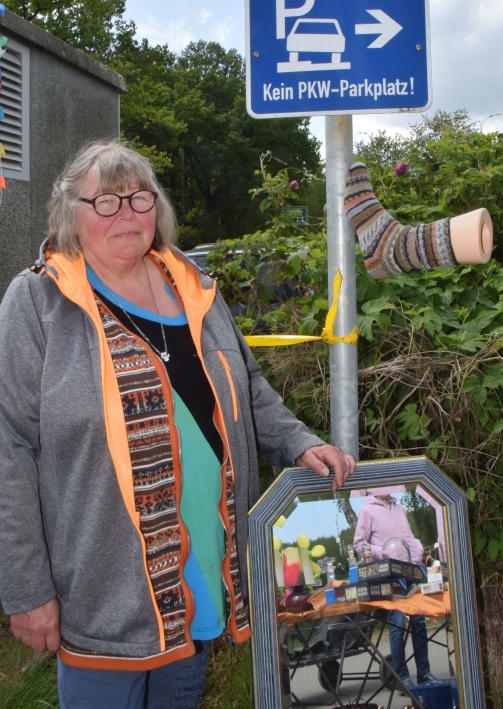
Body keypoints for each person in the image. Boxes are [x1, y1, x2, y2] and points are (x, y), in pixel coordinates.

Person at [0, 140, 355, 709]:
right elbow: (9, 447)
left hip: (203, 571)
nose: (128, 214)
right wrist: (26, 588)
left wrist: (298, 442)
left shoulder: (194, 286)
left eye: (140, 198)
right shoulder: (38, 302)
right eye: (107, 201)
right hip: (104, 590)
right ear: (71, 212)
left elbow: (250, 385)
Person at [353, 488, 434, 689]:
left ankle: (424, 674)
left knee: (419, 620)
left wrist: (417, 551)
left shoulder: (399, 508)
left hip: (409, 572)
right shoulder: (367, 510)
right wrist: (385, 551)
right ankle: (401, 677)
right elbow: (358, 544)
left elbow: (408, 538)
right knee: (398, 620)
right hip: (387, 575)